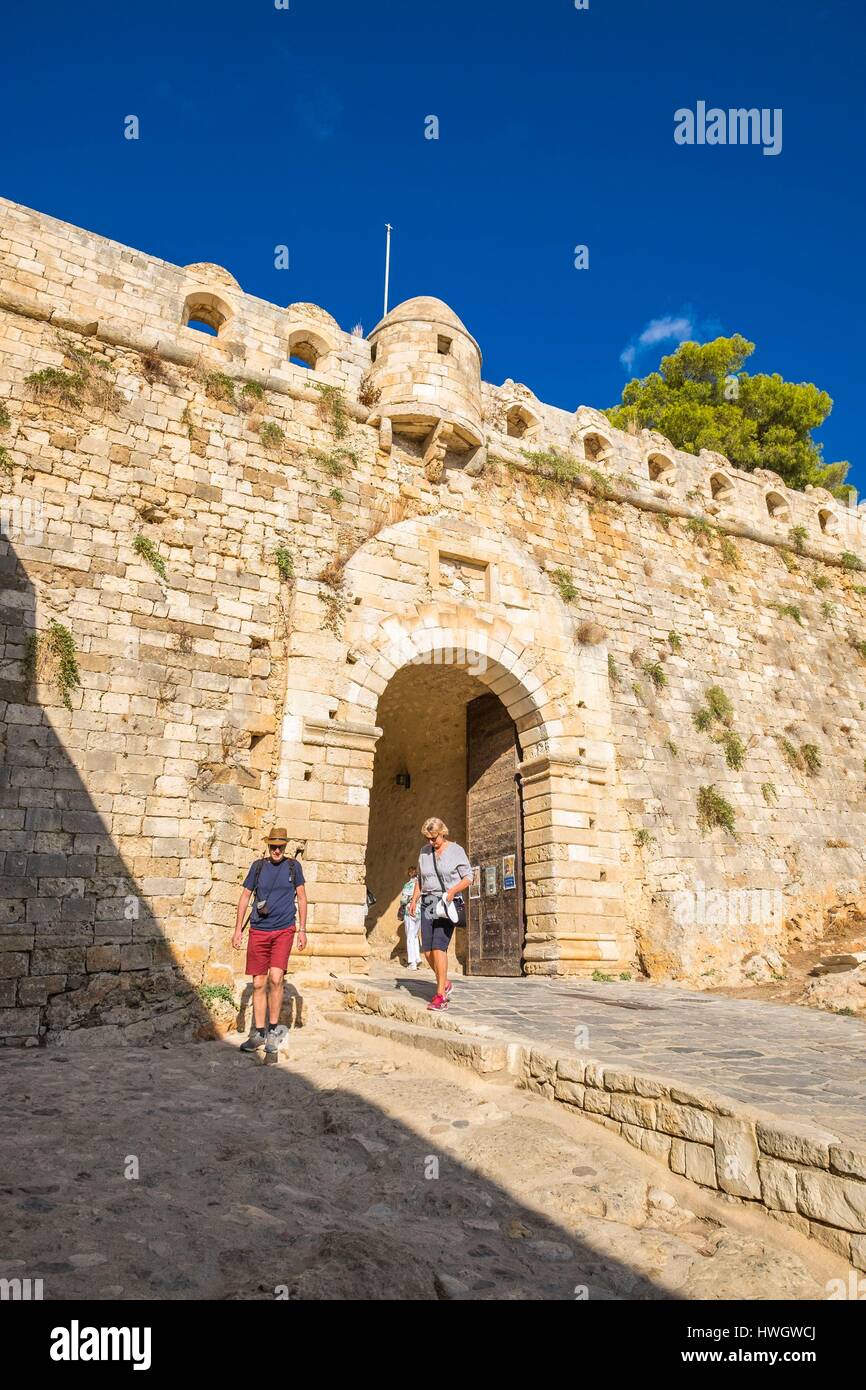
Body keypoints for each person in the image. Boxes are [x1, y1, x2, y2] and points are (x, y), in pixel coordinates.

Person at [232, 827, 307, 1056]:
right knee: (257, 983)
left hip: (284, 929)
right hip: (259, 930)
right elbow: (245, 896)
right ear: (268, 846)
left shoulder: (294, 867)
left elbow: (302, 898)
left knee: (276, 978)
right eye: (273, 846)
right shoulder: (258, 867)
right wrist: (237, 930)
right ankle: (260, 1033)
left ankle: (273, 1031)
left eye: (280, 846)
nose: (276, 850)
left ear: (285, 846)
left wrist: (302, 930)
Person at [409, 817, 471, 1011]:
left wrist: (452, 891)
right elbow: (421, 878)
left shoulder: (456, 851)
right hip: (428, 902)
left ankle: (440, 996)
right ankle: (444, 982)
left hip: (446, 901)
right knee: (427, 950)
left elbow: (469, 877)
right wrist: (414, 899)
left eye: (434, 837)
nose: (431, 842)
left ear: (442, 833)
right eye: (427, 838)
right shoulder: (424, 852)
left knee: (438, 948)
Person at [398, 866, 421, 969]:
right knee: (415, 935)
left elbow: (403, 900)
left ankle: (412, 962)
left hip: (410, 911)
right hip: (420, 912)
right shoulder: (421, 884)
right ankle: (417, 957)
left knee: (410, 937)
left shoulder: (408, 885)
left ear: (409, 874)